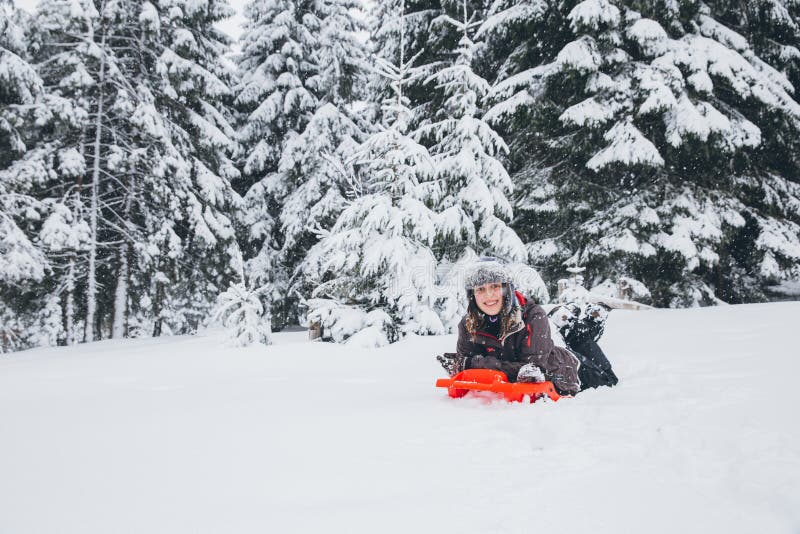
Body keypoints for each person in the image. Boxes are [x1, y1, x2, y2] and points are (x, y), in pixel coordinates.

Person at [436, 258, 618, 396]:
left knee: (609, 378)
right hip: (546, 352)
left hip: (567, 370)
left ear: (507, 289)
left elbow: (532, 368)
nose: (488, 295)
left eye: (495, 286)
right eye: (480, 289)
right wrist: (464, 366)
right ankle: (575, 329)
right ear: (472, 295)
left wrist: (473, 364)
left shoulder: (532, 315)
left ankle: (582, 332)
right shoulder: (468, 323)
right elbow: (466, 370)